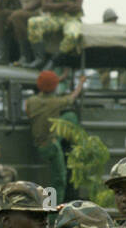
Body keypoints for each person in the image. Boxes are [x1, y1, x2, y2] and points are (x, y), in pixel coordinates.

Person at [25, 70, 85, 200]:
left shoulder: (31, 101)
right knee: (59, 180)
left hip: (39, 143)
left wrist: (60, 78)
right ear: (54, 87)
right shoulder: (55, 102)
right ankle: (53, 213)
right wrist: (80, 83)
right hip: (51, 146)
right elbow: (73, 96)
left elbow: (29, 112)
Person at [27, 0, 84, 71]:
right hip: (54, 18)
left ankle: (54, 61)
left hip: (72, 19)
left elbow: (77, 7)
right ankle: (39, 58)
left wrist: (55, 4)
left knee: (72, 34)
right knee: (33, 23)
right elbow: (45, 6)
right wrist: (66, 4)